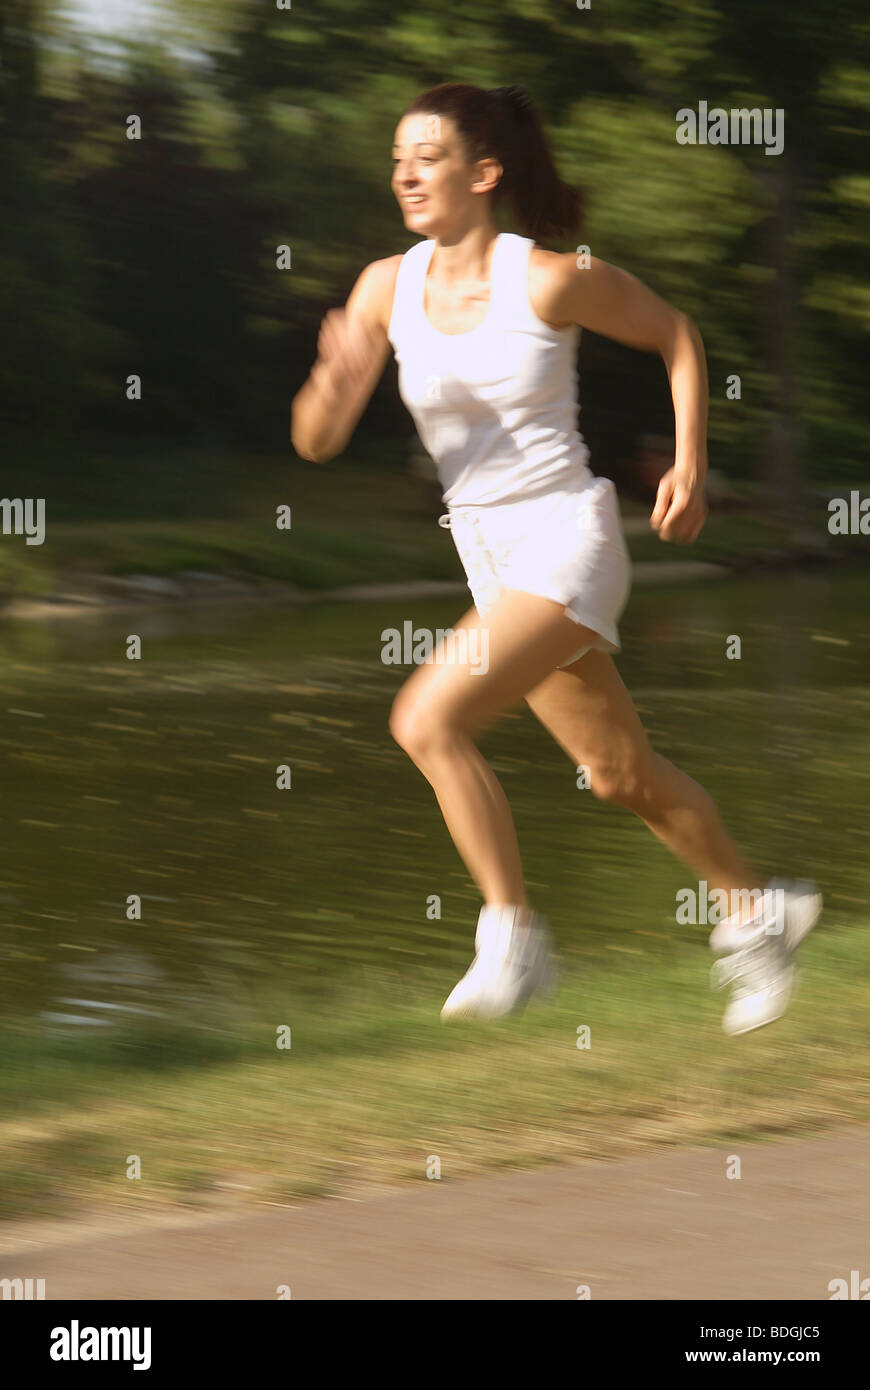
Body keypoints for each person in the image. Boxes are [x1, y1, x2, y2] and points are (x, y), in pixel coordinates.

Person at [291, 81, 821, 1035]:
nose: (406, 171)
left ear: (484, 174)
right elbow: (316, 443)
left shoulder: (549, 276)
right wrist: (334, 379)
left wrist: (692, 464)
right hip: (489, 558)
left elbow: (677, 336)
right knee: (621, 774)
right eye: (399, 157)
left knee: (426, 718)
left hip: (567, 539)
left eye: (430, 156)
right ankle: (757, 911)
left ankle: (515, 938)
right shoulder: (384, 288)